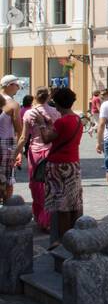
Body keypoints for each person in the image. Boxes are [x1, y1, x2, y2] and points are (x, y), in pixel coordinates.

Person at [38, 86, 84, 247]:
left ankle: (64, 240)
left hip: (58, 166)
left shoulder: (62, 122)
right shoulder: (78, 120)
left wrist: (41, 125)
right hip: (73, 164)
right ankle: (76, 235)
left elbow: (46, 139)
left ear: (58, 104)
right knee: (74, 203)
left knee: (61, 205)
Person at [17, 88, 58, 230]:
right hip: (51, 151)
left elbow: (23, 137)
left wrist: (15, 153)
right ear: (48, 98)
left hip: (35, 152)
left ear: (35, 97)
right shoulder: (55, 112)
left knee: (36, 184)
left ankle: (40, 215)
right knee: (50, 185)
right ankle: (48, 218)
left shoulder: (29, 113)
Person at [0, 75, 24, 205]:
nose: (18, 88)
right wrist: (19, 151)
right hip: (6, 144)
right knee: (8, 179)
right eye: (16, 85)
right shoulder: (13, 104)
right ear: (9, 85)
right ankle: (6, 208)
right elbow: (19, 130)